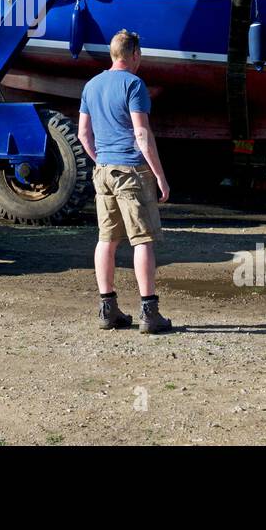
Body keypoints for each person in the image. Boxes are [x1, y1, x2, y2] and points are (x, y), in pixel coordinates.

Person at [78, 29, 172, 334]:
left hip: (103, 170)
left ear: (111, 54)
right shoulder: (134, 84)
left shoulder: (91, 86)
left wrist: (100, 160)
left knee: (107, 239)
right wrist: (160, 176)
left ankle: (108, 309)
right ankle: (149, 312)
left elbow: (82, 134)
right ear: (134, 55)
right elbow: (142, 134)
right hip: (131, 170)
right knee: (142, 239)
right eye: (139, 55)